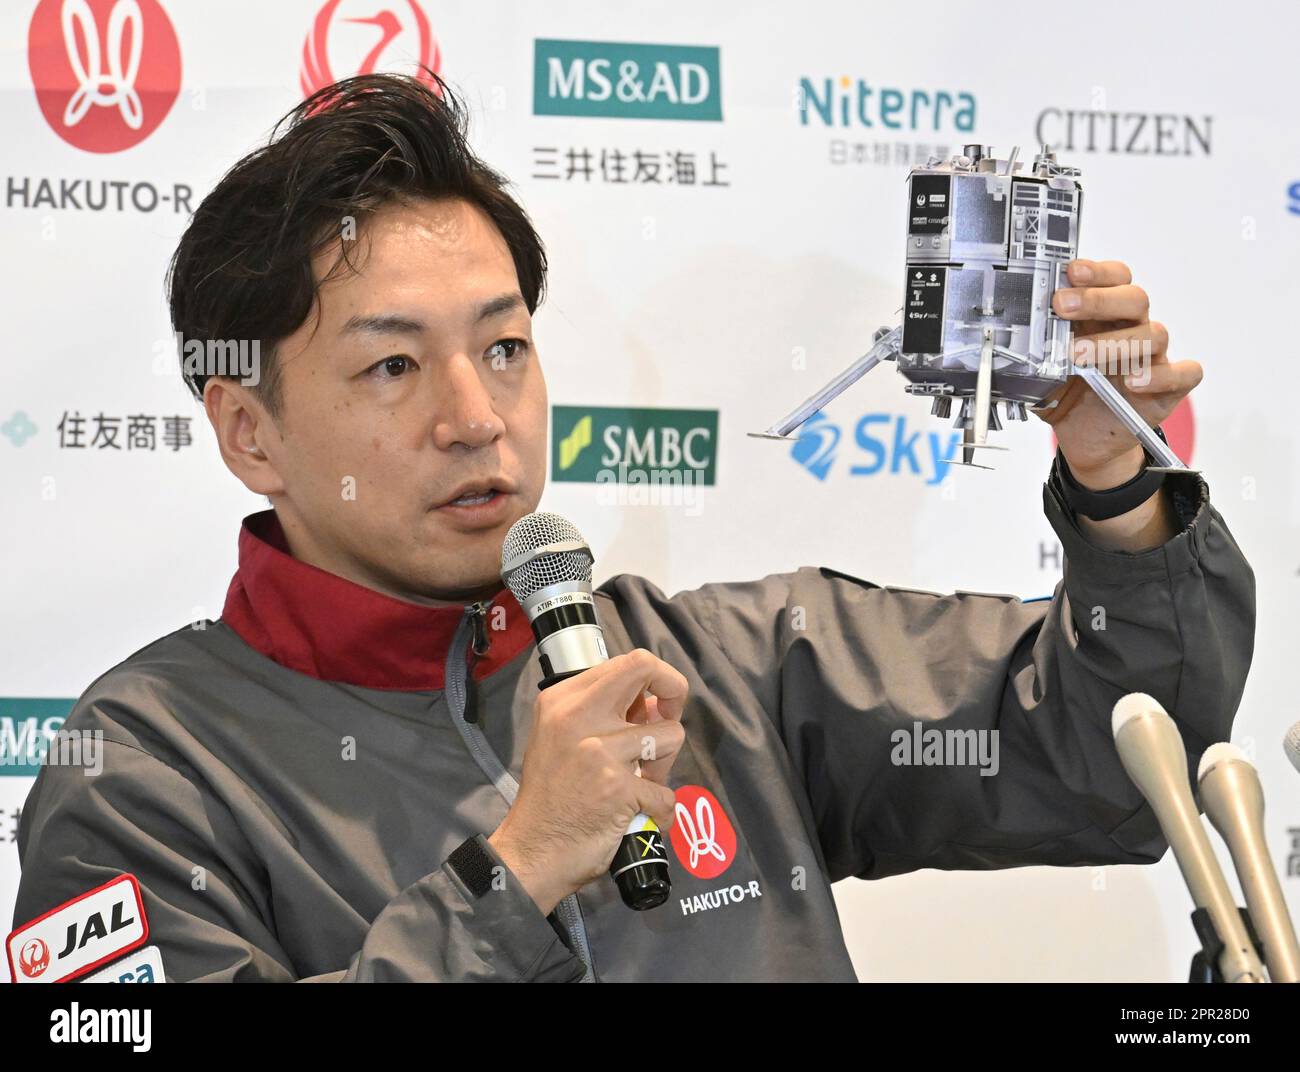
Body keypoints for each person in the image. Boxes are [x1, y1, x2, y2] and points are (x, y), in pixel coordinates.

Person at [10, 73, 1254, 982]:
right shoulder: (141, 773)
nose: (474, 418)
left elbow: (1112, 767)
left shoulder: (726, 665)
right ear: (249, 429)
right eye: (393, 368)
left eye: (504, 348)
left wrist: (1111, 485)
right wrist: (516, 872)